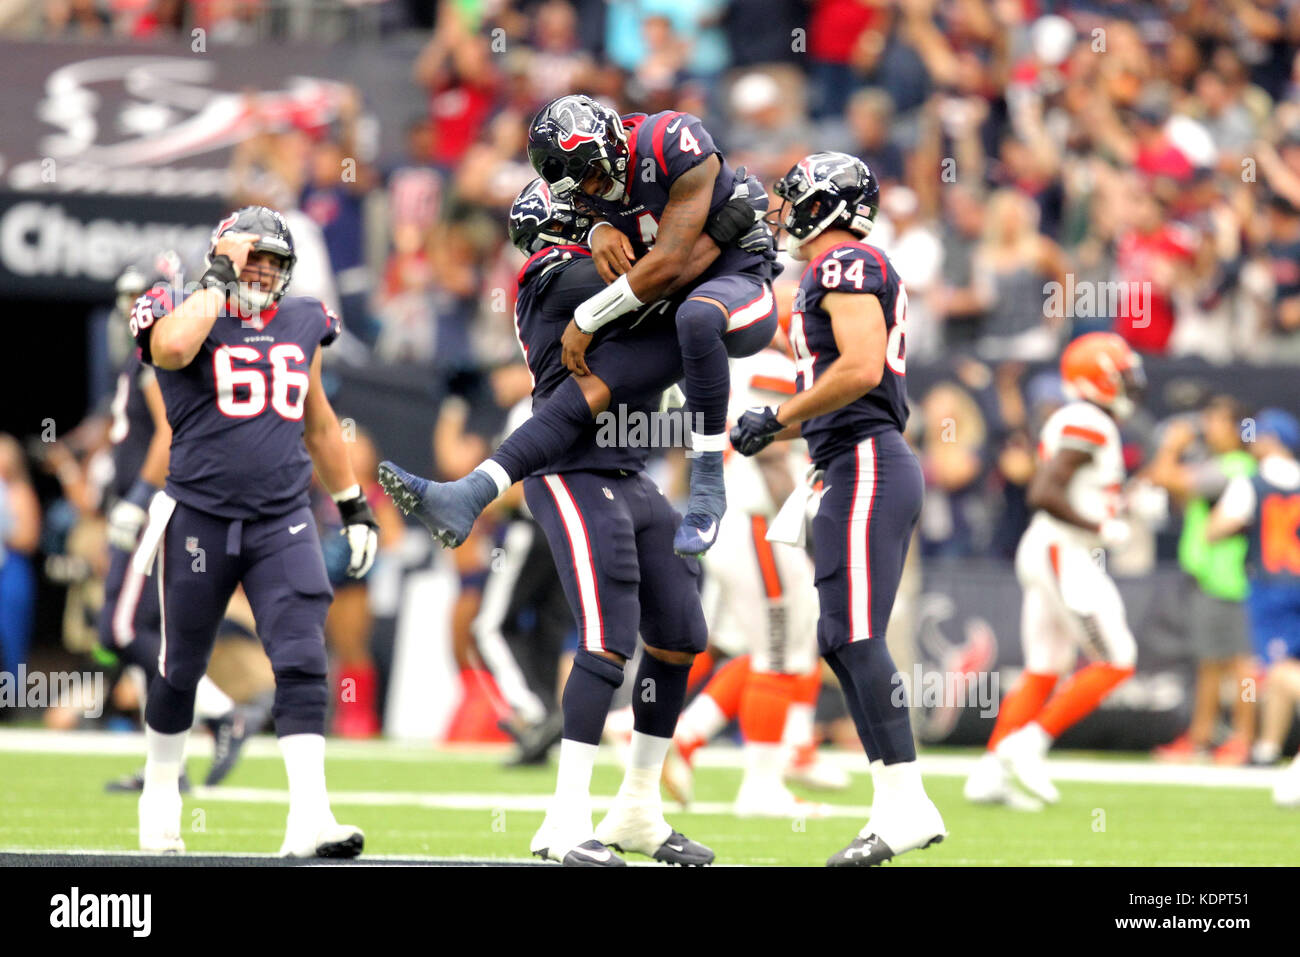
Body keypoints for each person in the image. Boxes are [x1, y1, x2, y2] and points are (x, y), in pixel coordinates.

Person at [386, 180, 720, 865]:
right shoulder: (549, 278)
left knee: (681, 635)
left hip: (627, 470)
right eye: (594, 213)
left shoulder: (594, 274)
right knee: (606, 639)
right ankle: (563, 819)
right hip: (571, 474)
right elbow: (664, 273)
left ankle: (637, 808)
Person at [378, 95, 779, 558]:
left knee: (696, 316)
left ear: (608, 142)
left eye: (591, 173)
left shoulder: (668, 141)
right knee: (592, 388)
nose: (592, 190)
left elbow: (671, 265)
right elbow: (664, 264)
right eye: (578, 189)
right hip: (666, 315)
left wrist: (591, 314)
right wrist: (598, 231)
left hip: (733, 287)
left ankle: (707, 486)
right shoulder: (571, 230)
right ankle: (473, 490)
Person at [128, 205, 378, 857]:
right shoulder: (175, 304)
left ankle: (311, 816)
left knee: (300, 654)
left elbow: (319, 421)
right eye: (254, 257)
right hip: (199, 515)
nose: (264, 272)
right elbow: (174, 347)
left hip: (282, 516)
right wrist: (216, 281)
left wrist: (352, 503)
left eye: (275, 262)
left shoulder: (302, 319)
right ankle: (161, 789)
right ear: (222, 253)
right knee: (180, 665)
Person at [730, 151, 946, 866]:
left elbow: (861, 368)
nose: (783, 213)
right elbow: (843, 384)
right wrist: (778, 424)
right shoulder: (836, 271)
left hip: (866, 461)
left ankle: (907, 802)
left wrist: (780, 412)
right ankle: (896, 806)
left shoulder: (843, 265)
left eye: (794, 200)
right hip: (847, 458)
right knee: (838, 636)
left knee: (853, 635)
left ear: (824, 206)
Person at [99, 257, 262, 791]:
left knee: (123, 630)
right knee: (144, 631)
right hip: (154, 504)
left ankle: (219, 713)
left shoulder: (163, 348)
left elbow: (168, 433)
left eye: (136, 297)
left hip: (156, 505)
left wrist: (137, 499)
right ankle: (167, 762)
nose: (129, 310)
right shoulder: (148, 349)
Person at [964, 333, 1142, 809]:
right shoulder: (1087, 420)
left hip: (1051, 547)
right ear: (1101, 378)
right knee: (1117, 658)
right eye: (1123, 374)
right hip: (1065, 548)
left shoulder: (1082, 418)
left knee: (1043, 669)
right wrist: (1100, 524)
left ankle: (988, 774)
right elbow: (1043, 491)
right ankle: (1030, 743)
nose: (1132, 383)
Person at [664, 349, 842, 816]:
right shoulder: (775, 368)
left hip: (747, 521)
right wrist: (808, 537)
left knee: (770, 650)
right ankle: (762, 786)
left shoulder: (752, 367)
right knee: (777, 655)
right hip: (760, 523)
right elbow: (772, 451)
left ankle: (686, 736)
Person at [1145, 396, 1257, 764]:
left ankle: (1242, 739)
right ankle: (1201, 738)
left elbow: (1164, 477)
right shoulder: (1218, 466)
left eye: (1218, 420)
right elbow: (1169, 487)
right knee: (1210, 663)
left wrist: (1171, 446)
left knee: (1240, 664)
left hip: (1231, 578)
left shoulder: (1234, 467)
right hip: (1211, 577)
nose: (1208, 426)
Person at [1206, 408, 1300, 805]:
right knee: (1286, 667)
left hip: (1271, 584)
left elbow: (1215, 530)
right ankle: (1266, 750)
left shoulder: (1251, 482)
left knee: (1277, 670)